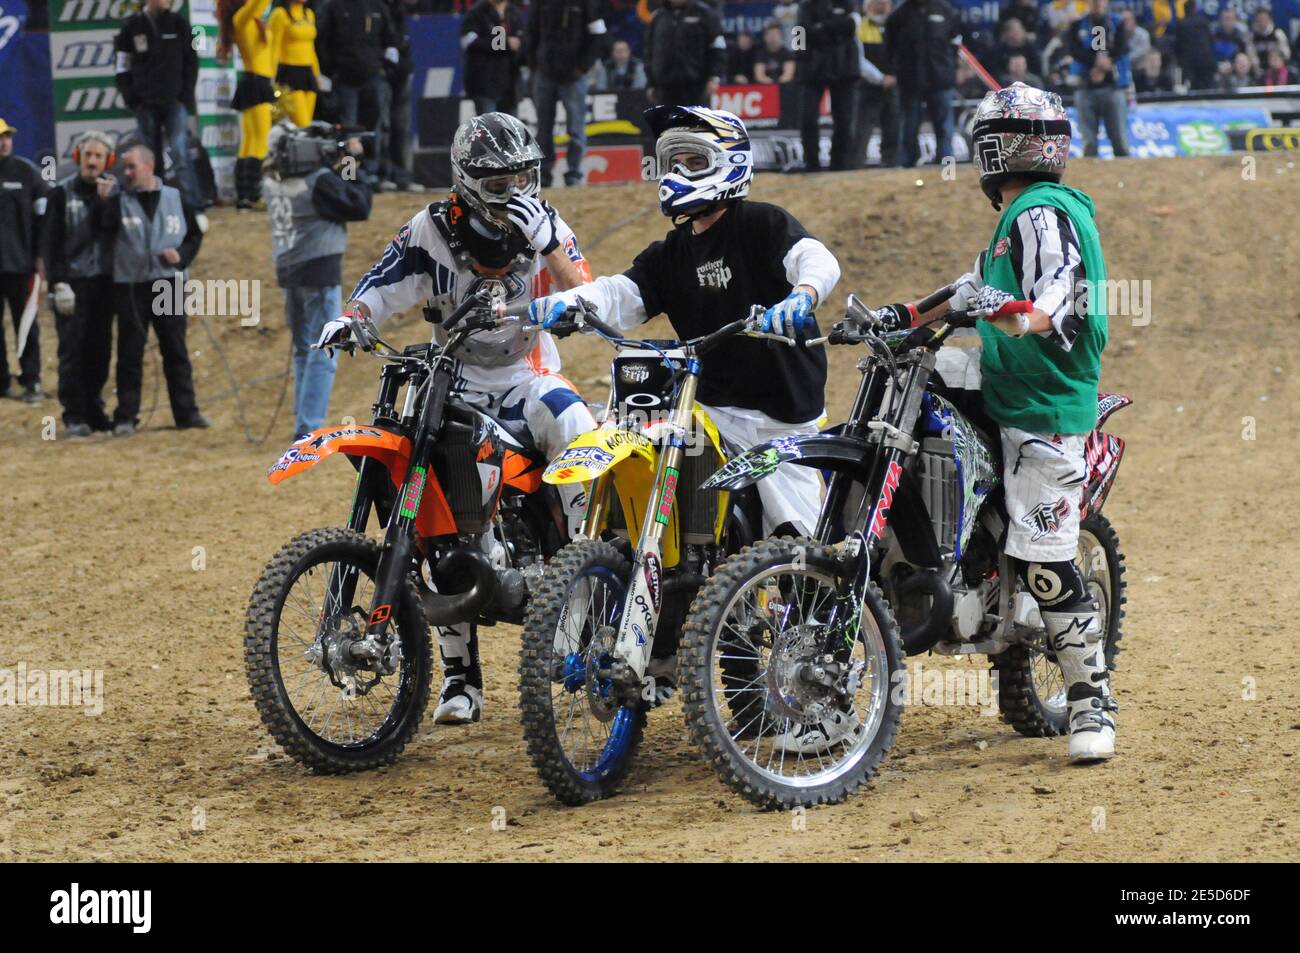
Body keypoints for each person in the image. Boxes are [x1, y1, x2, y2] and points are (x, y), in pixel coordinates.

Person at [315, 113, 596, 725]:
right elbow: (380, 285)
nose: (514, 192)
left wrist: (548, 241)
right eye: (499, 182)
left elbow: (590, 296)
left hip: (530, 376)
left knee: (577, 427)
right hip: (455, 383)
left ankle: (582, 607)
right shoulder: (430, 229)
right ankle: (460, 678)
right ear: (467, 180)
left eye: (524, 177)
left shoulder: (545, 223)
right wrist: (352, 318)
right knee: (437, 517)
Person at [871, 83, 1116, 763]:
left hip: (1045, 397)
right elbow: (966, 287)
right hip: (1007, 378)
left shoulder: (1043, 211)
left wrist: (1007, 308)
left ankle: (1092, 699)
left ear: (992, 149)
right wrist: (901, 317)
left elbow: (1052, 303)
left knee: (1045, 560)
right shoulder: (1018, 219)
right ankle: (947, 538)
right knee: (914, 380)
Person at [529, 105, 838, 542]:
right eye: (674, 163)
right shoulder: (670, 253)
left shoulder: (760, 223)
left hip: (775, 421)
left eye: (695, 162)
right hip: (706, 406)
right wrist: (567, 302)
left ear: (729, 163)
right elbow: (618, 294)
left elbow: (815, 257)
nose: (679, 173)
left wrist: (803, 294)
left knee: (802, 551)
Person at [263, 122, 372, 438]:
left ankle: (303, 421)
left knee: (303, 348)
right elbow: (358, 204)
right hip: (319, 270)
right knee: (325, 349)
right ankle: (308, 427)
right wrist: (352, 163)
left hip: (289, 270)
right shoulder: (320, 181)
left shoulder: (272, 180)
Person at [95, 145, 209, 435]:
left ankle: (187, 413)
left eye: (132, 167)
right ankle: (125, 416)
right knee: (130, 353)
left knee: (175, 350)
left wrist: (181, 256)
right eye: (125, 168)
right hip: (131, 285)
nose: (127, 173)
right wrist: (104, 203)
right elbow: (103, 233)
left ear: (149, 165)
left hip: (168, 282)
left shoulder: (175, 197)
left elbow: (195, 235)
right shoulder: (118, 200)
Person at [41, 131, 118, 435]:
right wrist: (57, 283)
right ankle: (74, 413)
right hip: (72, 284)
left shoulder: (114, 193)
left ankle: (94, 409)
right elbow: (50, 242)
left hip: (103, 284)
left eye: (98, 156)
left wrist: (104, 204)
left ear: (107, 161)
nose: (92, 162)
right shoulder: (60, 193)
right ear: (78, 158)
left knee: (100, 349)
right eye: (88, 155)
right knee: (72, 351)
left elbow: (112, 233)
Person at [113, 0, 203, 209]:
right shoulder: (131, 27)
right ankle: (155, 202)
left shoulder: (180, 23)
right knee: (150, 157)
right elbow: (122, 66)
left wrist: (185, 96)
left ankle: (193, 205)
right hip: (145, 104)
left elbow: (192, 60)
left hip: (174, 102)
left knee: (180, 153)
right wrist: (131, 98)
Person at [316, 0, 398, 185]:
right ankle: (348, 175)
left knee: (372, 129)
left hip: (373, 77)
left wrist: (384, 66)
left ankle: (371, 174)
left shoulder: (377, 7)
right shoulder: (334, 6)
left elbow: (390, 40)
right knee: (347, 130)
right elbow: (322, 40)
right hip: (344, 79)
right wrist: (331, 70)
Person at [526, 0, 607, 187]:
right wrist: (533, 64)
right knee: (544, 129)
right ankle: (544, 174)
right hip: (545, 73)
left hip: (574, 76)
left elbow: (598, 35)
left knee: (576, 129)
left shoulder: (586, 3)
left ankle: (574, 173)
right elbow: (531, 32)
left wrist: (582, 66)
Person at [0, 118, 48, 403]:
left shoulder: (29, 173)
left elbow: (44, 220)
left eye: (7, 137)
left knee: (26, 324)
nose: (4, 142)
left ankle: (31, 380)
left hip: (22, 265)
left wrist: (41, 256)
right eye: (0, 137)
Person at [884, 0, 961, 168]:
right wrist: (893, 70)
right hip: (910, 81)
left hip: (940, 79)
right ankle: (907, 165)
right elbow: (889, 47)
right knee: (909, 127)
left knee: (944, 127)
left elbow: (955, 43)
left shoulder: (945, 11)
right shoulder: (899, 15)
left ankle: (947, 165)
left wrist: (952, 68)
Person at [218, 0, 276, 210]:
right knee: (260, 139)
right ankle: (252, 194)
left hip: (257, 82)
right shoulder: (242, 17)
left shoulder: (250, 19)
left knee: (251, 140)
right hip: (255, 82)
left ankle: (244, 195)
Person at [796, 0, 862, 171]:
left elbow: (852, 27)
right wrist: (801, 59)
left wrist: (819, 28)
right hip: (812, 68)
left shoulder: (849, 3)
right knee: (808, 119)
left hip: (845, 68)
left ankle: (840, 164)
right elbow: (798, 33)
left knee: (844, 120)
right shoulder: (805, 6)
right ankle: (811, 164)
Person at [1069, 0, 1131, 157]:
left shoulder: (1117, 23)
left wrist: (1107, 63)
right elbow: (1074, 50)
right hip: (1085, 86)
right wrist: (1096, 63)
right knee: (1089, 143)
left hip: (1113, 86)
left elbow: (1122, 47)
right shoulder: (1078, 25)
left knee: (1120, 140)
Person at [645, 0, 725, 109]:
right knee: (667, 125)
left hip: (697, 87)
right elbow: (649, 51)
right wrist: (650, 83)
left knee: (696, 125)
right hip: (664, 89)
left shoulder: (705, 14)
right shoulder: (658, 17)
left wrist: (714, 77)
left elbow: (718, 48)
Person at [853, 0, 899, 168]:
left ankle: (891, 163)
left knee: (893, 126)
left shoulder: (895, 25)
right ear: (868, 5)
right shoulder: (859, 24)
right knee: (862, 128)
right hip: (866, 85)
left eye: (886, 2)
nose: (883, 6)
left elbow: (903, 53)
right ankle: (856, 165)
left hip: (893, 84)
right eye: (878, 2)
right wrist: (880, 78)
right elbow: (858, 59)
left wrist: (894, 76)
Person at [461, 0, 525, 113]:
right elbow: (468, 42)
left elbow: (524, 40)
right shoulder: (476, 13)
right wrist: (504, 43)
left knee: (510, 129)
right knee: (490, 127)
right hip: (485, 85)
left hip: (510, 85)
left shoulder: (514, 12)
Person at [269, 0, 321, 128]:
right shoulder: (279, 14)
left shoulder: (309, 14)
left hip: (308, 74)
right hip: (289, 73)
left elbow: (311, 48)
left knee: (307, 125)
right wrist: (270, 75)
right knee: (303, 123)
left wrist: (317, 73)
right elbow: (273, 48)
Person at [1172, 1, 1218, 91]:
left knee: (1193, 91)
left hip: (1189, 64)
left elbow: (1177, 47)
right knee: (1208, 90)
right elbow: (1212, 42)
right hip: (1206, 62)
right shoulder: (1204, 22)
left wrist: (1179, 61)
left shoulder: (1181, 24)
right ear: (1195, 9)